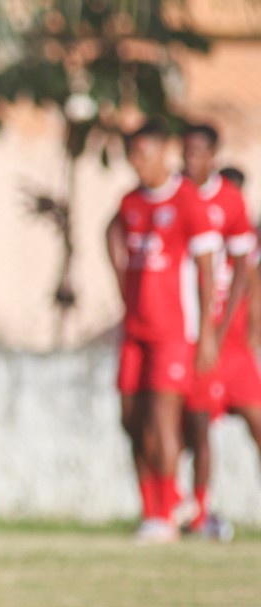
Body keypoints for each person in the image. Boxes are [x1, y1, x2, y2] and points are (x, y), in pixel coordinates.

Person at [106, 118, 221, 543]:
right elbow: (111, 232)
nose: (135, 162)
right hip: (135, 330)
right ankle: (155, 505)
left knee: (162, 420)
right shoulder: (130, 202)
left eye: (142, 153)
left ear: (161, 152)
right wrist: (122, 282)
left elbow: (207, 271)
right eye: (131, 154)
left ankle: (167, 512)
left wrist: (206, 333)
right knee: (130, 418)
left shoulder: (187, 201)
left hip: (174, 333)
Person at [178, 129, 260, 539]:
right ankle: (198, 512)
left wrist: (249, 330)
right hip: (200, 344)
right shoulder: (183, 207)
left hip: (234, 347)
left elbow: (250, 280)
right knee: (197, 430)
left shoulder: (237, 225)